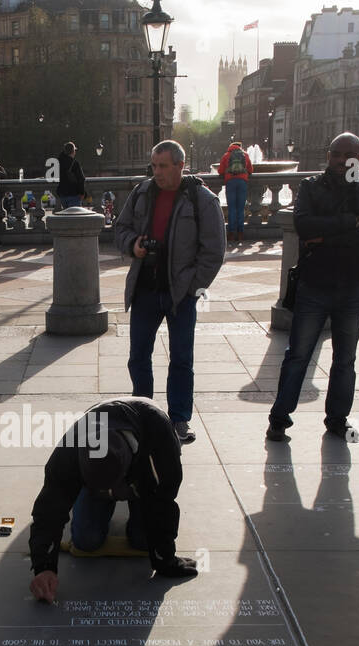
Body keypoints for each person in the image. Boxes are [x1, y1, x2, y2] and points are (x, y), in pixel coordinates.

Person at [267, 132, 359, 442]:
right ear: (328, 155)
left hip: (351, 287)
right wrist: (351, 223)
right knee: (298, 355)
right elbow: (304, 226)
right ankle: (279, 419)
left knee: (345, 359)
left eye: (349, 154)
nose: (341, 160)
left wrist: (327, 235)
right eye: (336, 153)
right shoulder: (310, 187)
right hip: (314, 285)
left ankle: (337, 419)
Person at [28, 397, 200, 603]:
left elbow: (163, 502)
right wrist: (44, 566)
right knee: (86, 541)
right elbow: (50, 508)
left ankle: (128, 505)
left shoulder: (160, 440)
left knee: (143, 542)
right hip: (97, 479)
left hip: (141, 478)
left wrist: (165, 560)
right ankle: (94, 498)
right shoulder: (72, 447)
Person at [114, 140, 226, 445]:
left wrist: (192, 287)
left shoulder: (202, 199)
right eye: (154, 166)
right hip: (145, 290)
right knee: (138, 356)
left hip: (181, 295)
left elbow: (214, 251)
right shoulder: (142, 192)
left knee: (181, 359)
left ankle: (178, 420)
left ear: (180, 165)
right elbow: (120, 228)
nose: (157, 172)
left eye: (163, 166)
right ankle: (143, 412)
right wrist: (133, 245)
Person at [219, 140, 254, 243]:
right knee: (240, 208)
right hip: (242, 182)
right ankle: (240, 233)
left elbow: (220, 171)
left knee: (232, 208)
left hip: (230, 182)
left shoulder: (226, 155)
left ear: (230, 147)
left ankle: (231, 233)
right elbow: (251, 170)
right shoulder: (245, 155)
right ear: (240, 147)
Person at [57, 142, 86, 210]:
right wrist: (82, 193)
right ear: (73, 152)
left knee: (67, 218)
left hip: (63, 194)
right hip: (74, 194)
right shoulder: (75, 163)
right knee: (75, 218)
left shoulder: (59, 163)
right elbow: (81, 179)